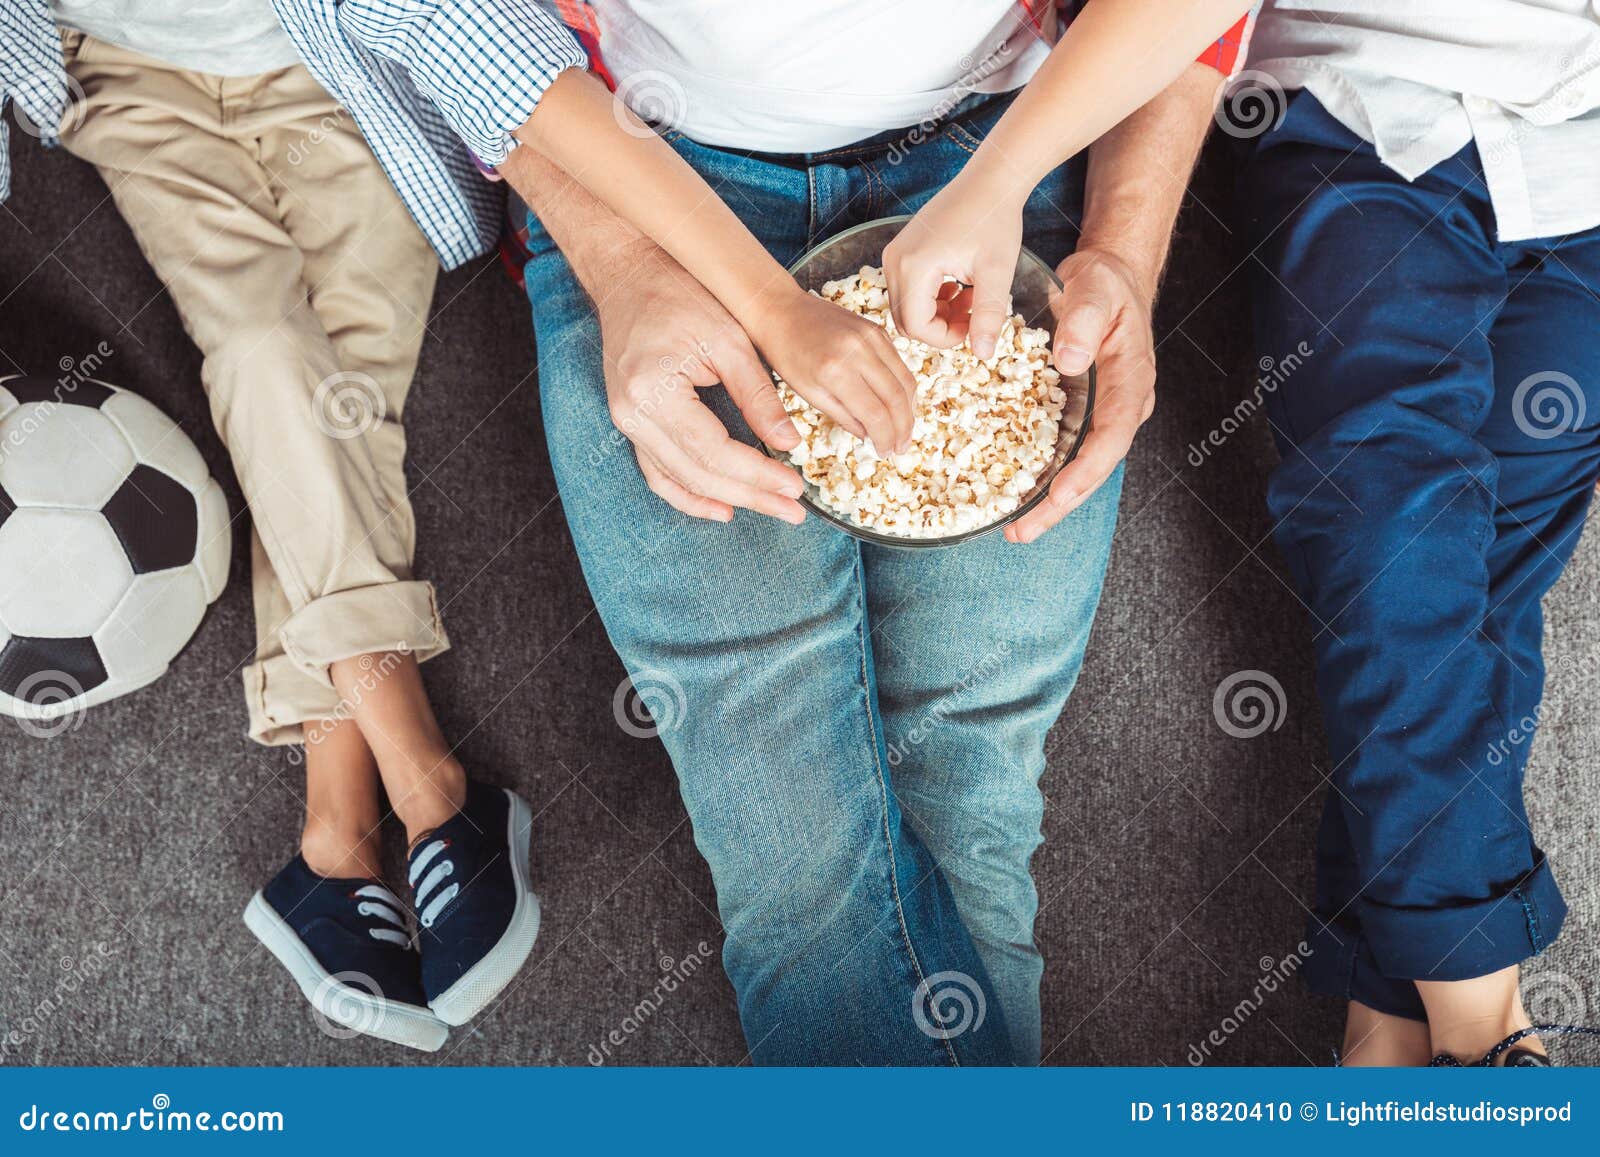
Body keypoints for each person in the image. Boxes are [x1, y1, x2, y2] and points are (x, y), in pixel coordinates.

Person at [260, 0, 1254, 1064]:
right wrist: (615, 261)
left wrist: (1117, 246)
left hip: (1017, 138)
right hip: (635, 172)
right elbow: (444, 22)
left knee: (967, 775)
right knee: (788, 818)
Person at [0, 1, 540, 1050]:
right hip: (130, 72)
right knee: (256, 347)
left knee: (342, 393)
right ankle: (420, 783)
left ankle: (340, 833)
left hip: (348, 57)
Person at [1242, 0, 1600, 1066]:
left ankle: (1384, 1036)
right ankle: (1488, 1035)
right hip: (1361, 99)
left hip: (1583, 147)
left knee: (1476, 575)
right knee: (1398, 531)